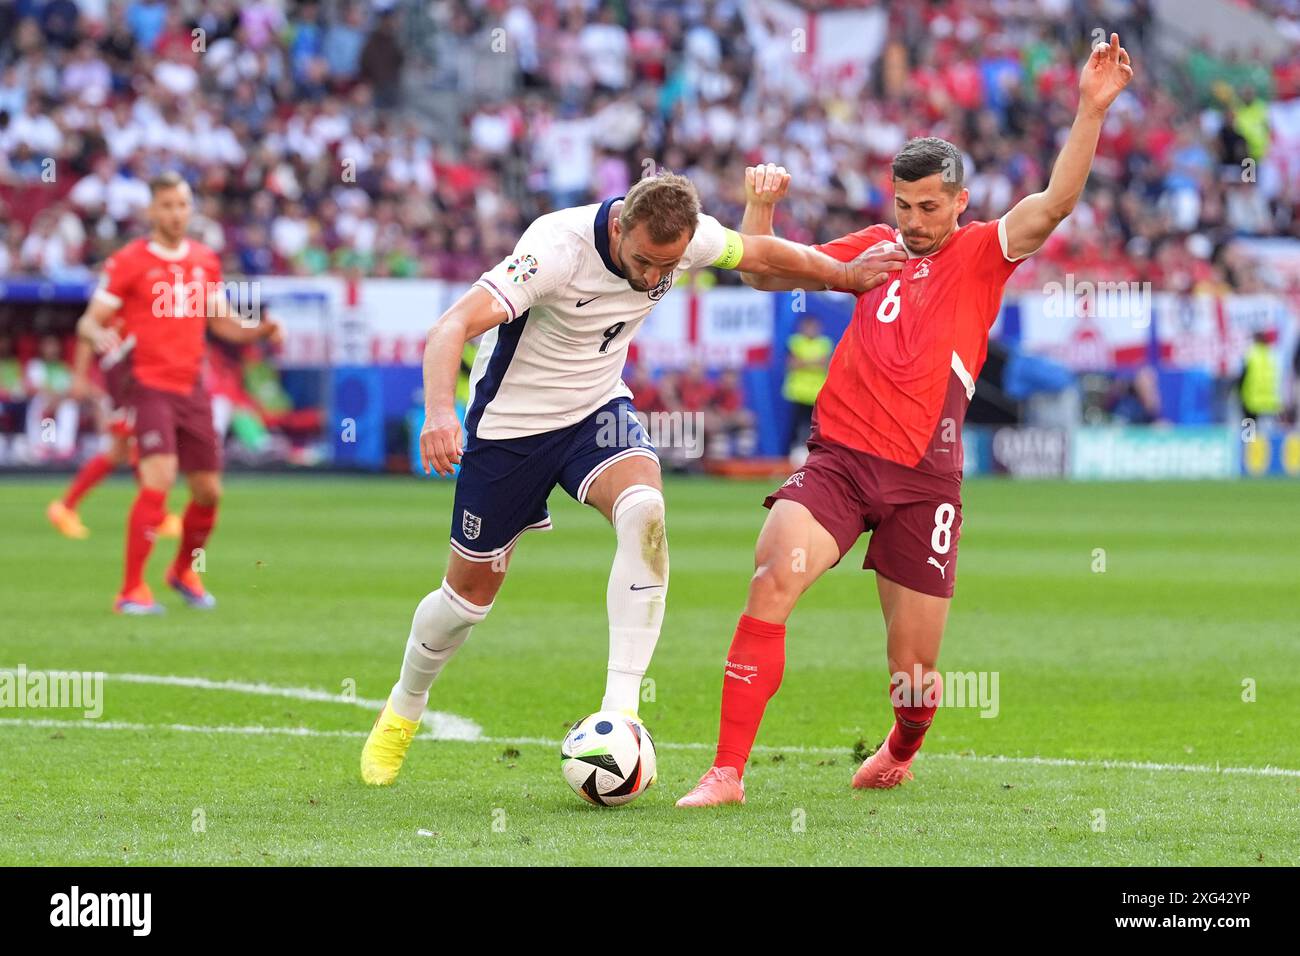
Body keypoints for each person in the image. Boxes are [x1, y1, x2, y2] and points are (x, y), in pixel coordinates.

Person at [678, 35, 1134, 807]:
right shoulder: (872, 248)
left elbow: (1055, 202)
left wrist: (1089, 108)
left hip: (927, 479)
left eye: (930, 207)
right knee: (772, 579)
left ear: (960, 201)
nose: (916, 221)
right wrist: (761, 206)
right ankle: (727, 772)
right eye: (904, 206)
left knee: (913, 673)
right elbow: (759, 271)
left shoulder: (987, 251)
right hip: (840, 462)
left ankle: (903, 742)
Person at [359, 171, 905, 786]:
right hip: (511, 429)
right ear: (619, 226)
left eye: (664, 268)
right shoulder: (554, 249)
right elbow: (448, 327)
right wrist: (438, 413)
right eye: (644, 261)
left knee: (645, 511)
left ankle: (619, 715)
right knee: (464, 604)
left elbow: (761, 252)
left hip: (596, 412)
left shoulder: (687, 239)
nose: (651, 278)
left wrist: (844, 274)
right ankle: (404, 709)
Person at [76, 172, 282, 614]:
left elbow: (221, 320)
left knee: (209, 491)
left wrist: (257, 330)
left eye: (182, 205)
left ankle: (183, 570)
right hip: (148, 386)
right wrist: (99, 334)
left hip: (193, 389)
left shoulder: (205, 260)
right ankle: (131, 590)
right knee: (159, 479)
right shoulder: (129, 261)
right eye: (166, 205)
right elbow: (89, 321)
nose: (175, 213)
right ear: (151, 211)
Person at [46, 327, 182, 541]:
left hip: (133, 374)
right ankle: (66, 506)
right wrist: (80, 377)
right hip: (123, 376)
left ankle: (157, 514)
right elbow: (88, 327)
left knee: (124, 449)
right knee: (134, 445)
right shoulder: (116, 301)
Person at [782, 316, 831, 462]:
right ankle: (787, 460)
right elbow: (792, 364)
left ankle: (816, 458)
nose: (810, 330)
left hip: (816, 393)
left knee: (816, 429)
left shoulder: (824, 343)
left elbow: (825, 364)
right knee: (794, 428)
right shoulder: (795, 342)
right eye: (807, 327)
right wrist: (814, 362)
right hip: (797, 392)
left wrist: (803, 361)